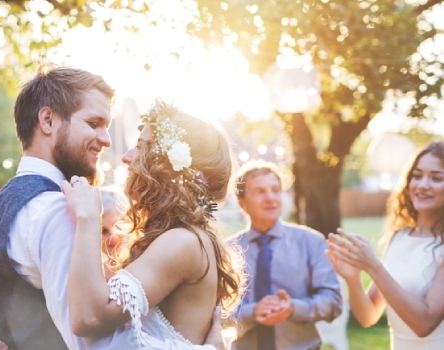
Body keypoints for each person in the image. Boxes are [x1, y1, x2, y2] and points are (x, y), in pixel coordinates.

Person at [0, 66, 224, 350]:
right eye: (94, 123)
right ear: (47, 121)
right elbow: (93, 343)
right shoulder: (61, 210)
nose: (107, 140)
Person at [62, 101, 245, 349]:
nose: (127, 157)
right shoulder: (182, 238)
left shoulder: (184, 241)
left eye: (141, 147)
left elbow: (88, 318)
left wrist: (89, 218)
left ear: (171, 167)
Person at [326, 142, 444, 349]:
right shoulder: (399, 237)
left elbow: (424, 324)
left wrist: (372, 265)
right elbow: (368, 316)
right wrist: (353, 280)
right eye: (417, 176)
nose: (423, 184)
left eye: (436, 178)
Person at [228, 161, 342, 350]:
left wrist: (294, 309)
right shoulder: (227, 250)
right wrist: (252, 311)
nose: (271, 198)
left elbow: (333, 302)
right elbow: (213, 312)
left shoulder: (310, 242)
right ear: (242, 203)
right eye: (260, 191)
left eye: (275, 189)